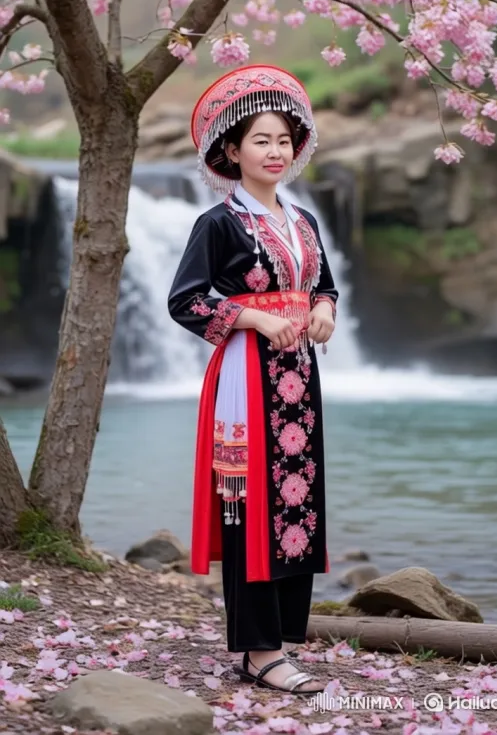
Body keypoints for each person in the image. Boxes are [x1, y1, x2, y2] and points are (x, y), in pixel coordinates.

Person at [168, 64, 338, 696]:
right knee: (252, 507)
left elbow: (323, 285)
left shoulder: (304, 221)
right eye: (260, 140)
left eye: (284, 140)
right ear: (231, 151)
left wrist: (322, 310)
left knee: (296, 502)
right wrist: (256, 320)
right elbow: (185, 301)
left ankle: (282, 639)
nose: (275, 151)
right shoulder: (218, 223)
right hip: (245, 380)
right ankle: (260, 652)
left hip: (299, 382)